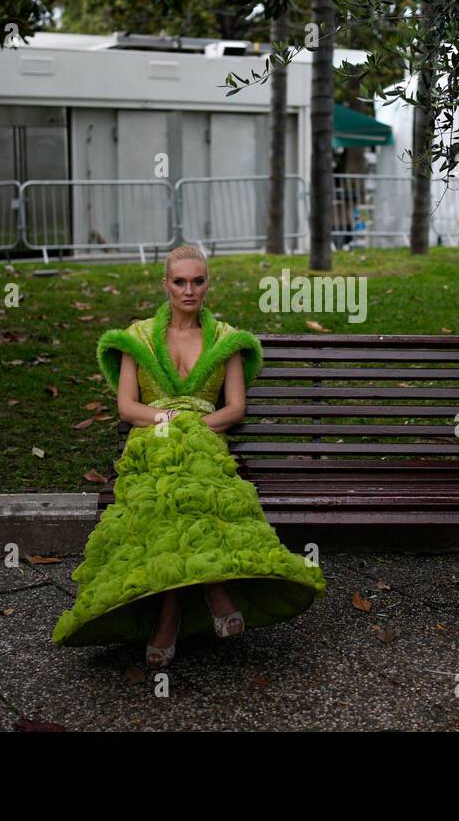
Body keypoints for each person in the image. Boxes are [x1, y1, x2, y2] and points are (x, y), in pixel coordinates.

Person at [52, 245, 327, 666]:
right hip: (153, 439)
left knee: (185, 495)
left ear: (207, 284)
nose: (188, 290)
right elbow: (128, 407)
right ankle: (215, 593)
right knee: (164, 495)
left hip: (204, 441)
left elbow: (234, 409)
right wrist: (169, 420)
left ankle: (169, 614)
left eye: (197, 281)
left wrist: (192, 427)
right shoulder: (140, 336)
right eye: (179, 281)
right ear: (165, 284)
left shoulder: (224, 339)